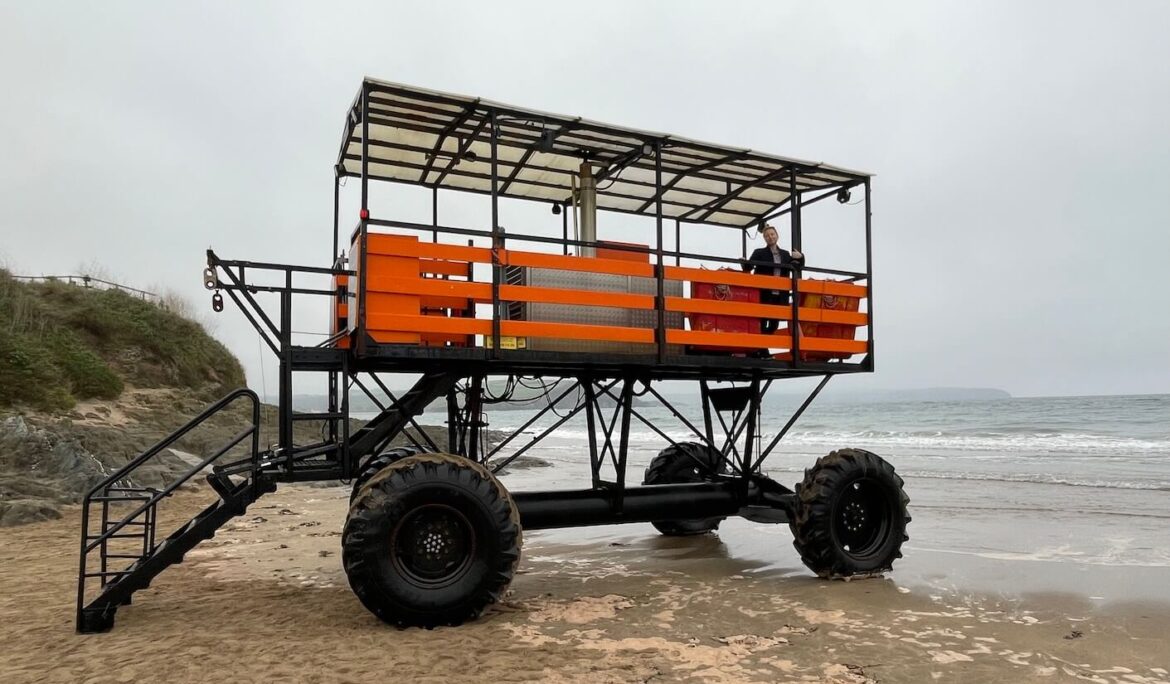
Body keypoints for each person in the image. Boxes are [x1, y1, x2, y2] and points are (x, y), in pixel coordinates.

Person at [742, 224, 804, 335]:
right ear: (764, 238)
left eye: (772, 234)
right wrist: (743, 262)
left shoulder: (785, 254)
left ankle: (764, 342)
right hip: (764, 293)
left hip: (780, 294)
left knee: (774, 325)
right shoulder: (759, 252)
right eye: (767, 235)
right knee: (761, 321)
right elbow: (748, 267)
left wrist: (800, 257)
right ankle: (762, 344)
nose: (770, 237)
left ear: (777, 235)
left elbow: (797, 267)